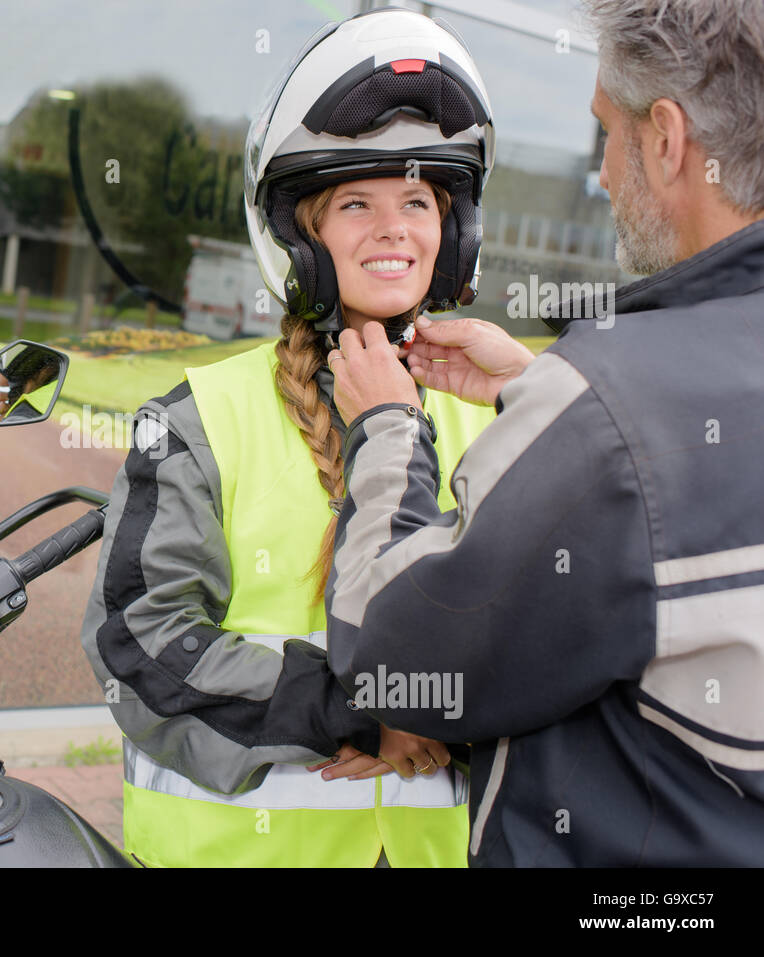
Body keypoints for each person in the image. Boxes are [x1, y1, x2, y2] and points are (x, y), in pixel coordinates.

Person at [323, 0, 764, 866]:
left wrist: (383, 429)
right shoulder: (627, 404)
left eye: (608, 131)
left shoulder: (612, 401)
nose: (600, 172)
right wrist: (539, 390)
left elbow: (391, 652)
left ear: (667, 139)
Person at [80, 9, 499, 867]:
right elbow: (140, 642)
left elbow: (553, 628)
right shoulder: (198, 415)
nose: (395, 228)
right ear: (299, 236)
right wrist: (361, 712)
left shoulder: (493, 411)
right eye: (357, 203)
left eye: (418, 201)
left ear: (452, 233)